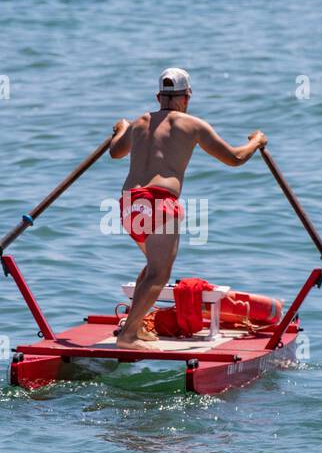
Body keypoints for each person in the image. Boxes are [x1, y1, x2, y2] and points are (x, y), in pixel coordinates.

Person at [108, 67, 266, 349]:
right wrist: (256, 142)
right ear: (187, 97)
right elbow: (234, 158)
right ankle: (128, 335)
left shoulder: (138, 123)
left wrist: (121, 129)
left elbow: (115, 151)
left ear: (158, 97)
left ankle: (137, 326)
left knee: (153, 268)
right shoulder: (192, 124)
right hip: (160, 203)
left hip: (129, 205)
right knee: (160, 273)